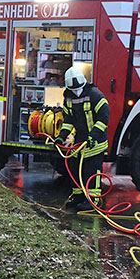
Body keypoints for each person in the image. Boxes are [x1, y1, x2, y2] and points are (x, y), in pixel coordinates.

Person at [56, 65, 109, 210]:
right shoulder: (68, 98)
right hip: (80, 141)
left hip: (95, 142)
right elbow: (68, 121)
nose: (76, 92)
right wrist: (61, 136)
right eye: (73, 90)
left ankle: (94, 200)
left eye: (78, 89)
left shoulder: (95, 95)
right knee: (75, 169)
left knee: (91, 171)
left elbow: (103, 119)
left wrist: (93, 137)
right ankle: (79, 196)